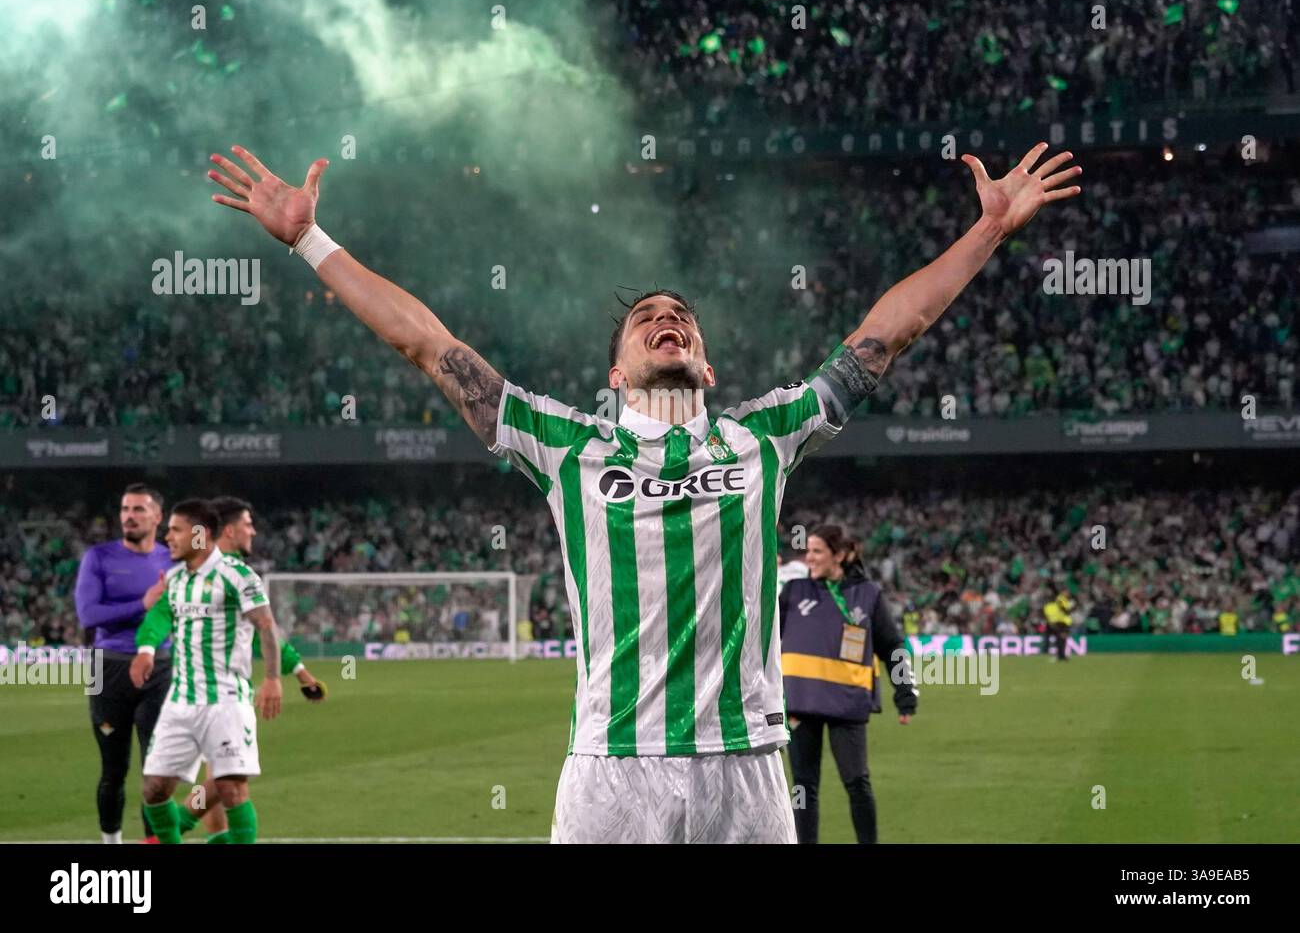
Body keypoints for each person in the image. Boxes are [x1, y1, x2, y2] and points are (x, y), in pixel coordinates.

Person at [207, 139, 1080, 842]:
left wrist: (989, 231)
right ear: (618, 372)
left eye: (683, 319)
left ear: (705, 364)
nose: (667, 317)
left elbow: (888, 335)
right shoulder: (564, 444)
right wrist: (308, 240)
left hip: (746, 766)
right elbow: (429, 347)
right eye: (645, 319)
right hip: (612, 770)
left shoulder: (763, 437)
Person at [156, 496, 326, 843]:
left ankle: (189, 826)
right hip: (217, 693)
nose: (254, 531)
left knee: (218, 775)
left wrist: (298, 672)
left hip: (192, 688)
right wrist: (291, 674)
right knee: (225, 776)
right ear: (230, 531)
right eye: (248, 525)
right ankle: (181, 823)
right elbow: (265, 631)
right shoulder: (228, 574)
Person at [129, 498, 283, 844]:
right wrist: (146, 649)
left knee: (229, 787)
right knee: (154, 788)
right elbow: (158, 617)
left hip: (226, 700)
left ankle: (195, 827)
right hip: (181, 701)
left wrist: (274, 678)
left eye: (175, 530)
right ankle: (177, 831)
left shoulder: (237, 575)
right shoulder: (176, 579)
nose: (167, 537)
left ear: (200, 535)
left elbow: (266, 625)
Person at [780, 524, 917, 843]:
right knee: (803, 787)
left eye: (817, 551)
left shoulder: (867, 595)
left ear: (839, 555)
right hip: (801, 704)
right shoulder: (793, 592)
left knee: (857, 782)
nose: (809, 558)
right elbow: (766, 643)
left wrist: (905, 693)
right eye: (808, 550)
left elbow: (893, 647)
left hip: (848, 702)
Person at [73, 483, 173, 844]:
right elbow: (88, 615)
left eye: (138, 510)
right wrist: (142, 605)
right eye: (125, 509)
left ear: (158, 517)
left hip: (160, 670)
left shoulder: (171, 560)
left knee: (157, 771)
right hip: (107, 668)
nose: (129, 516)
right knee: (113, 770)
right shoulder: (98, 558)